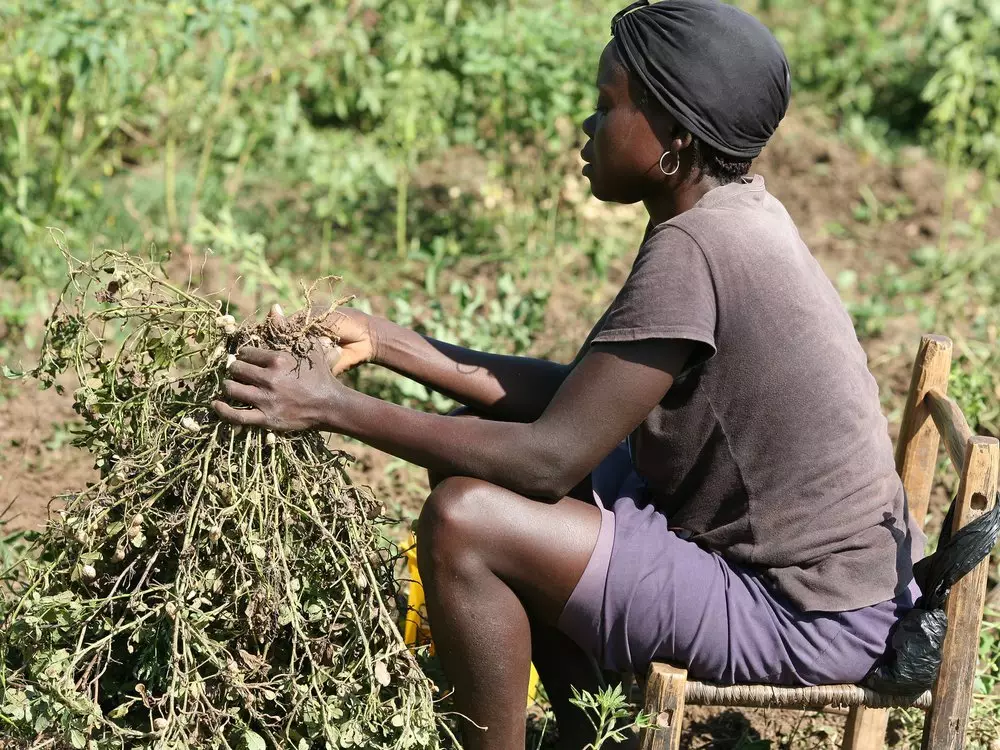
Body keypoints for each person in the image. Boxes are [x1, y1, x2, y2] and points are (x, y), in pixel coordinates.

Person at [213, 1, 923, 748]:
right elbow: (585, 400)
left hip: (806, 614)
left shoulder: (696, 250)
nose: (586, 127)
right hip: (832, 586)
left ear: (675, 137)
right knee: (472, 449)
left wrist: (329, 406)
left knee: (466, 520)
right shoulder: (735, 217)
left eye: (605, 106)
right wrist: (390, 343)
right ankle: (593, 733)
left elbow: (550, 460)